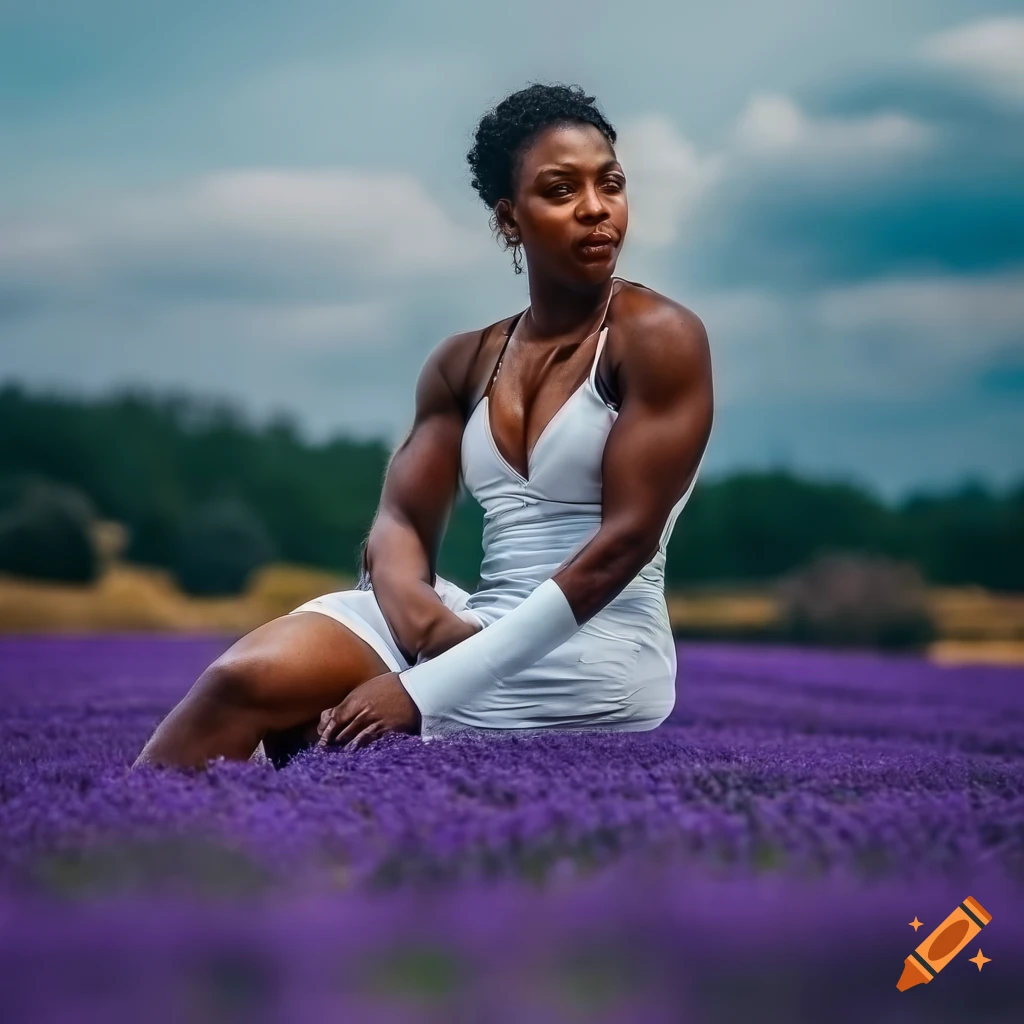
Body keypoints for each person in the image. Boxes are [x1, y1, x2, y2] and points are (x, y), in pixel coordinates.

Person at [134, 82, 713, 770]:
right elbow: (400, 521)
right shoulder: (462, 362)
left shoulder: (657, 336)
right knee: (241, 682)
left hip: (592, 652)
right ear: (509, 219)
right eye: (561, 191)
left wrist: (423, 688)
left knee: (316, 731)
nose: (596, 209)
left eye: (610, 185)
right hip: (469, 627)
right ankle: (118, 855)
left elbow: (624, 546)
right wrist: (422, 622)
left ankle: (278, 859)